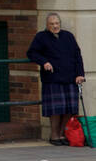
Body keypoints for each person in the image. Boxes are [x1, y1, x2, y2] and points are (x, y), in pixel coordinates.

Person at [27, 12, 86, 146]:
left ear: (60, 23)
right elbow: (32, 53)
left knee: (69, 109)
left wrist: (80, 74)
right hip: (52, 78)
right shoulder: (41, 37)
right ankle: (54, 136)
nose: (55, 26)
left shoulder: (69, 36)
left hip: (70, 78)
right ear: (47, 25)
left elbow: (78, 56)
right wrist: (44, 62)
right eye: (52, 24)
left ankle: (62, 134)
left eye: (57, 23)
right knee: (56, 109)